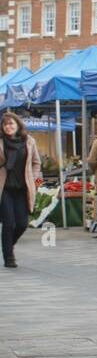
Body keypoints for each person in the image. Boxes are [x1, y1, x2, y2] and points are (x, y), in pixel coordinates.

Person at [0, 113, 42, 268]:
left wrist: (33, 176)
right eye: (5, 125)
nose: (8, 127)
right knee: (9, 223)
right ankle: (9, 258)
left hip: (22, 188)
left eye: (11, 123)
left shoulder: (29, 142)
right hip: (4, 188)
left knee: (22, 223)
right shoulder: (0, 142)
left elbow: (36, 163)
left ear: (18, 125)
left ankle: (7, 245)